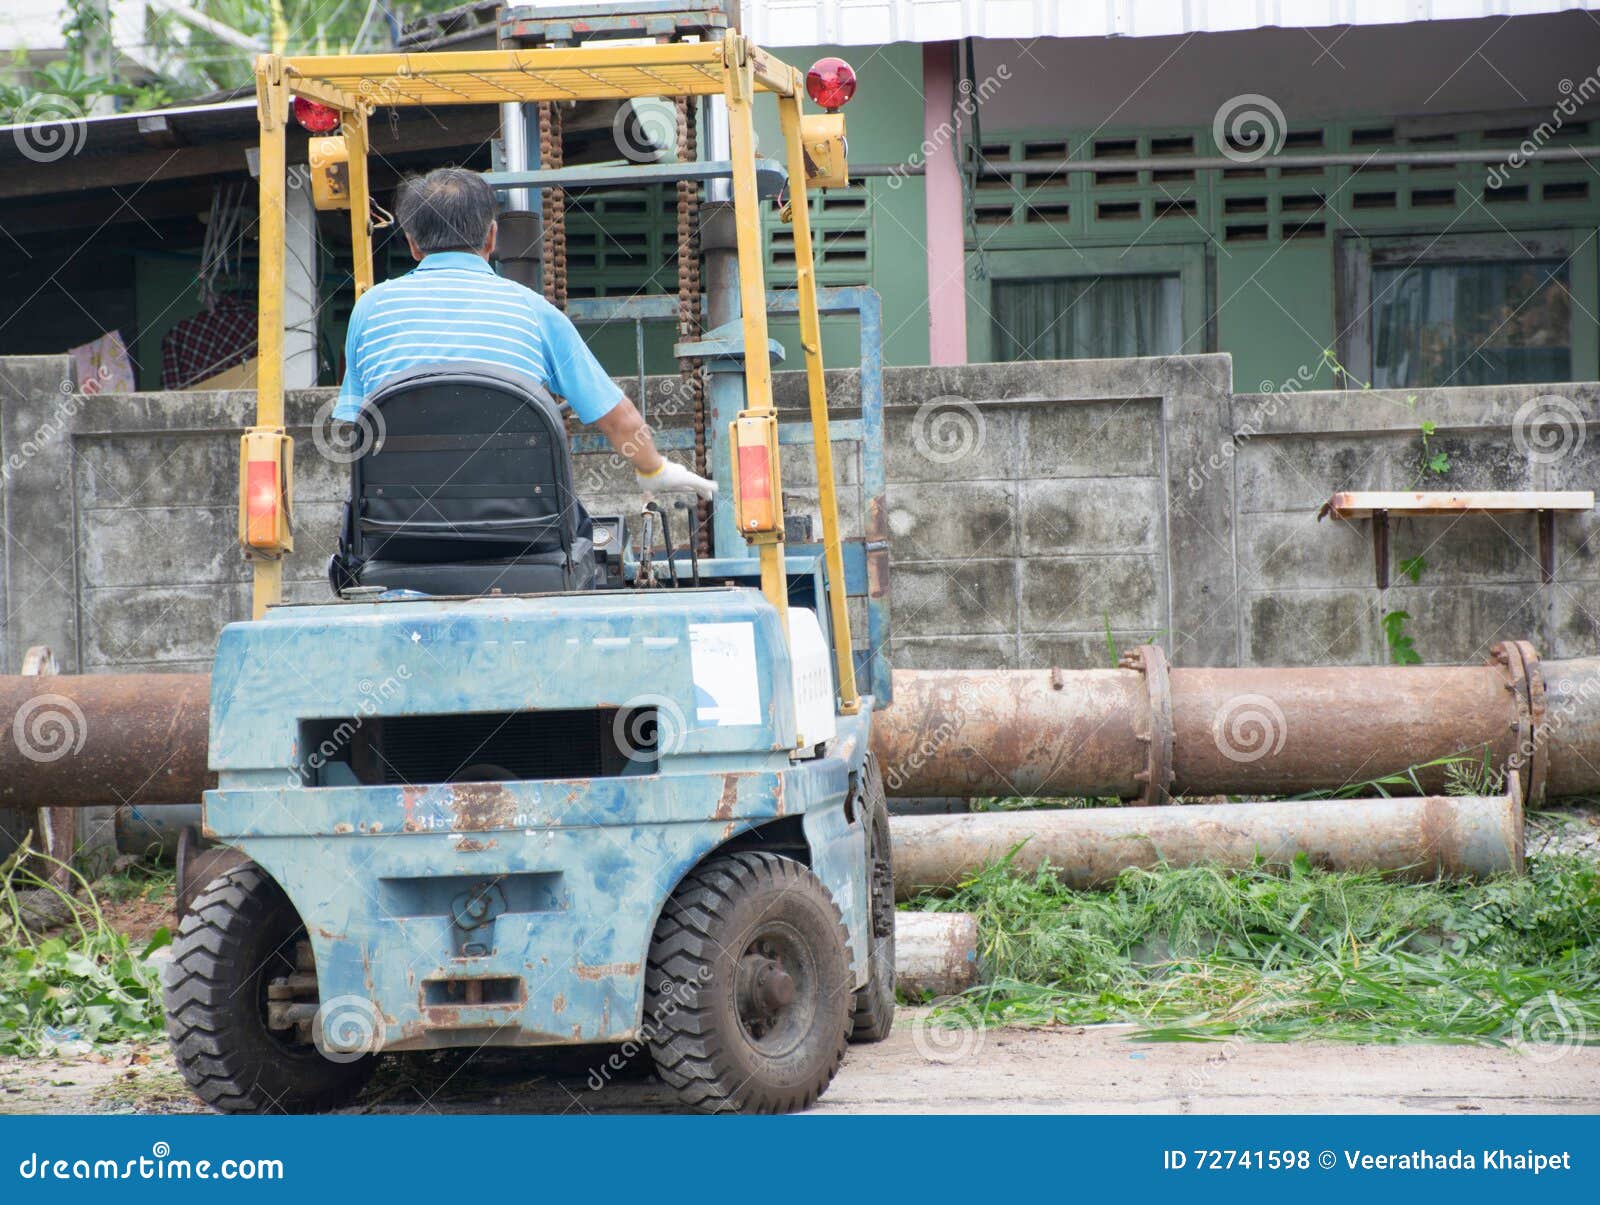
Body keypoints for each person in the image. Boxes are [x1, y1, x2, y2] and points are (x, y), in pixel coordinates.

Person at [333, 167, 716, 501]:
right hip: (525, 531)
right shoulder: (534, 311)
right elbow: (622, 422)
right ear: (491, 238)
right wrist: (654, 470)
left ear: (413, 244)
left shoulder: (369, 309)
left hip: (395, 529)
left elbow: (357, 427)